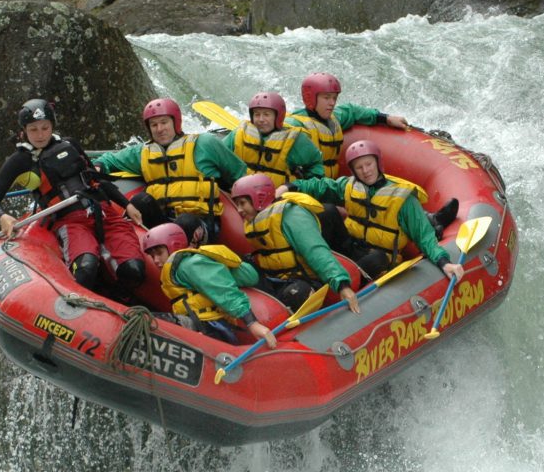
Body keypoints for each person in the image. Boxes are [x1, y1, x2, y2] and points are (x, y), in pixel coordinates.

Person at [0, 99, 145, 293]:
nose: (40, 135)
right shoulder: (20, 160)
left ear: (52, 126)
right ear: (24, 131)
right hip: (69, 222)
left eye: (45, 128)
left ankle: (120, 297)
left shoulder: (70, 144)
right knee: (86, 267)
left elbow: (96, 180)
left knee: (134, 270)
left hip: (103, 212)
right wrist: (2, 215)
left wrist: (127, 204)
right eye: (33, 129)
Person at [278, 139, 463, 282]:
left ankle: (342, 283)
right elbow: (321, 186)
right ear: (353, 171)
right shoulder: (349, 185)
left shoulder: (403, 198)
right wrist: (291, 186)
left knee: (377, 258)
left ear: (378, 163)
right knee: (327, 211)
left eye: (369, 164)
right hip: (352, 247)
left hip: (382, 257)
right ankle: (316, 267)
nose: (365, 171)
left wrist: (444, 262)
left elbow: (424, 237)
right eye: (359, 167)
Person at [93, 97, 246, 243]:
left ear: (176, 122)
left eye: (164, 122)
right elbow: (109, 160)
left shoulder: (205, 143)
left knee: (185, 221)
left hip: (200, 224)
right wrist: (98, 166)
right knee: (140, 201)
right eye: (154, 125)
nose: (159, 129)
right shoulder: (142, 153)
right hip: (163, 223)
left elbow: (240, 175)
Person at [231, 173, 361, 313]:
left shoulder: (291, 215)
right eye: (237, 204)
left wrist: (342, 286)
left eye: (242, 203)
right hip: (276, 280)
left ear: (259, 198)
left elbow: (316, 251)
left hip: (304, 282)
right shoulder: (257, 221)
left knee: (297, 293)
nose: (239, 210)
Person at [142, 222, 276, 347]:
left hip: (212, 327)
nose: (156, 260)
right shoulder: (182, 267)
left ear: (174, 245)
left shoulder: (189, 265)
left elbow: (223, 291)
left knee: (146, 320)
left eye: (159, 253)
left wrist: (252, 323)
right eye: (152, 256)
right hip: (205, 324)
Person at [287, 72, 409, 178]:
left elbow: (352, 111)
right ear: (311, 99)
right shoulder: (296, 125)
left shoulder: (334, 118)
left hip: (327, 185)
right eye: (327, 98)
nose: (332, 103)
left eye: (334, 98)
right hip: (305, 188)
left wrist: (386, 118)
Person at [222, 91, 324, 188]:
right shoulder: (239, 134)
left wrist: (299, 186)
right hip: (241, 193)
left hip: (280, 195)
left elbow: (315, 165)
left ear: (278, 117)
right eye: (257, 114)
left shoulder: (295, 140)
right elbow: (220, 158)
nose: (261, 119)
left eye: (266, 114)